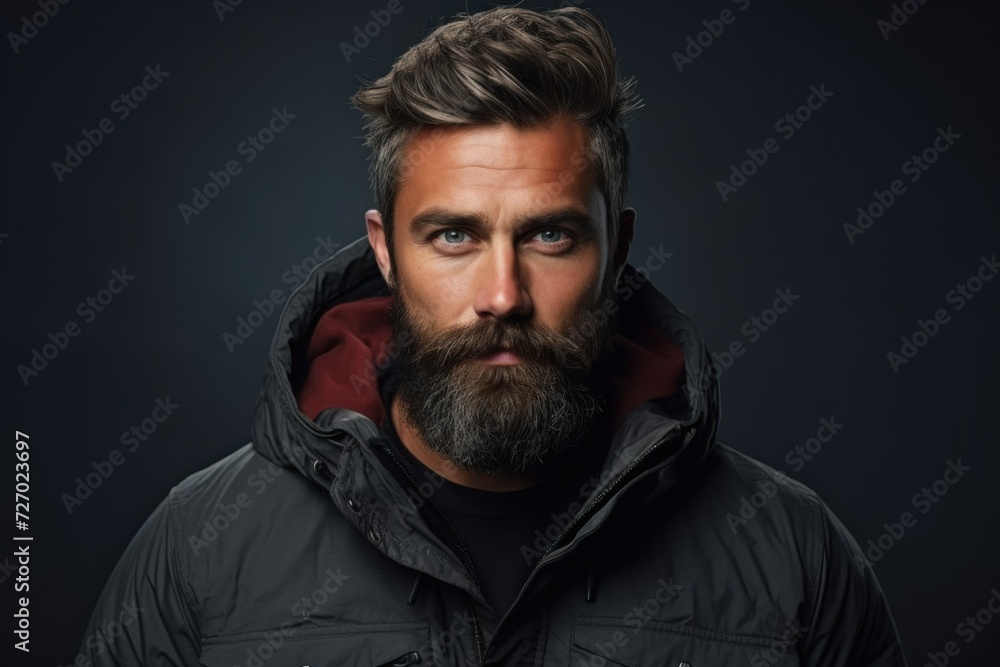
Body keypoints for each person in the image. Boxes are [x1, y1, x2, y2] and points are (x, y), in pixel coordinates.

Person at [76, 6, 907, 666]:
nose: (502, 295)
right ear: (385, 253)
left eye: (549, 236)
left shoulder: (789, 550)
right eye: (453, 237)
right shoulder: (201, 545)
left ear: (615, 250)